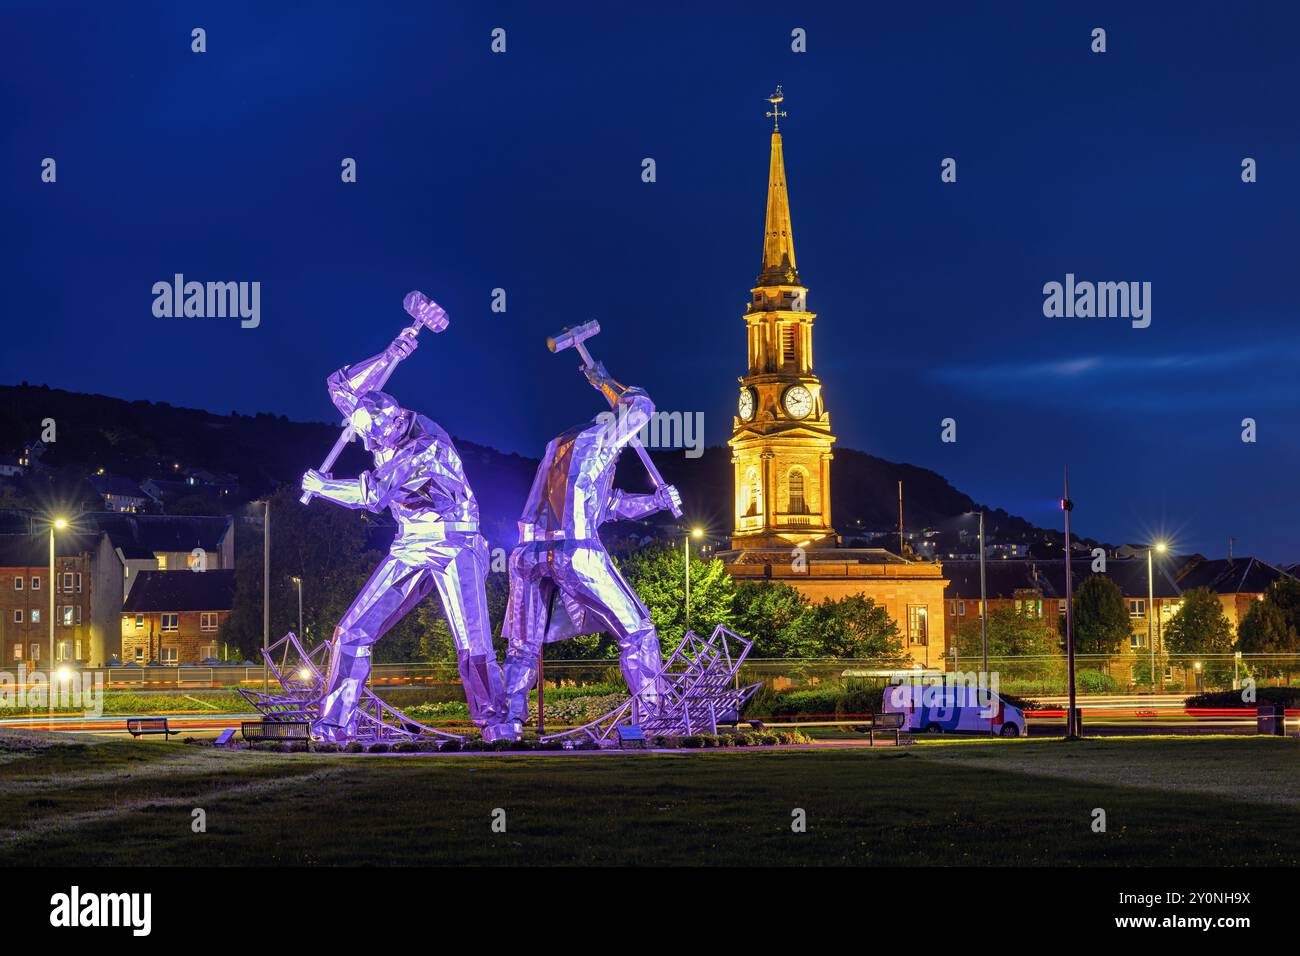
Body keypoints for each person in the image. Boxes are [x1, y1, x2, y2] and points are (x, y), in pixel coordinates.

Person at [301, 330, 508, 741]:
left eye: (375, 436)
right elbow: (339, 385)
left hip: (455, 542)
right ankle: (335, 723)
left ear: (395, 421)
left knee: (472, 640)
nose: (370, 443)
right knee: (352, 631)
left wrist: (322, 487)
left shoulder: (425, 446)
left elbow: (373, 494)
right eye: (364, 436)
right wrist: (387, 355)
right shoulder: (374, 421)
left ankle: (496, 721)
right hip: (410, 540)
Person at [494, 360, 681, 740]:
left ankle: (507, 723)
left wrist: (655, 502)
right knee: (638, 632)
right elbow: (642, 405)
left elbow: (606, 505)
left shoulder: (558, 447)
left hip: (528, 554)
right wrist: (605, 382)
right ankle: (654, 717)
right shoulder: (599, 440)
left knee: (522, 647)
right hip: (576, 551)